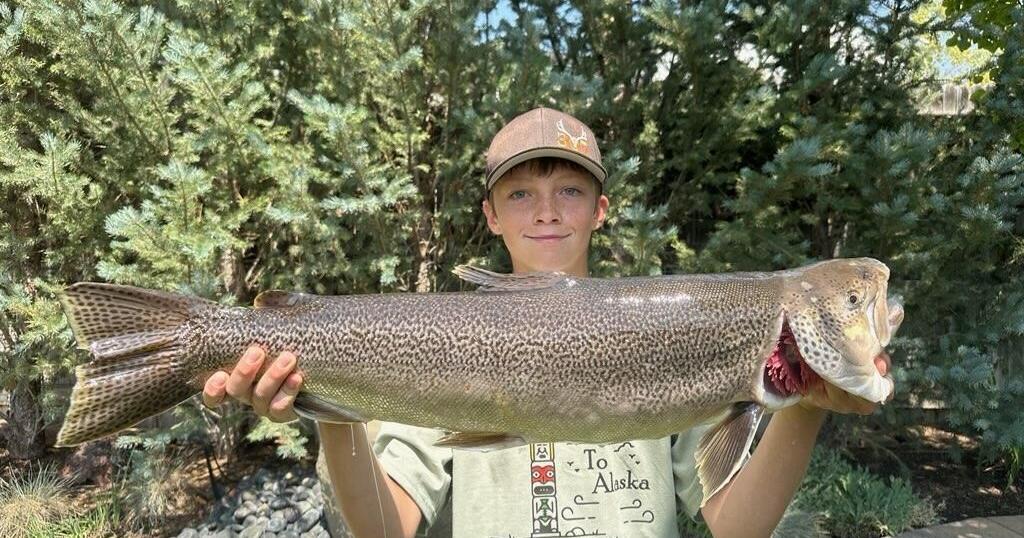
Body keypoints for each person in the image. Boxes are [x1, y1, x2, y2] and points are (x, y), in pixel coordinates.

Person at [203, 107, 891, 537]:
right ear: (492, 216)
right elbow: (387, 530)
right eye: (521, 193)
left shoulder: (677, 336)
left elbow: (735, 528)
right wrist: (331, 407)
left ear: (600, 209)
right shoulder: (447, 348)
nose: (547, 210)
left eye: (570, 189)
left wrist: (805, 408)